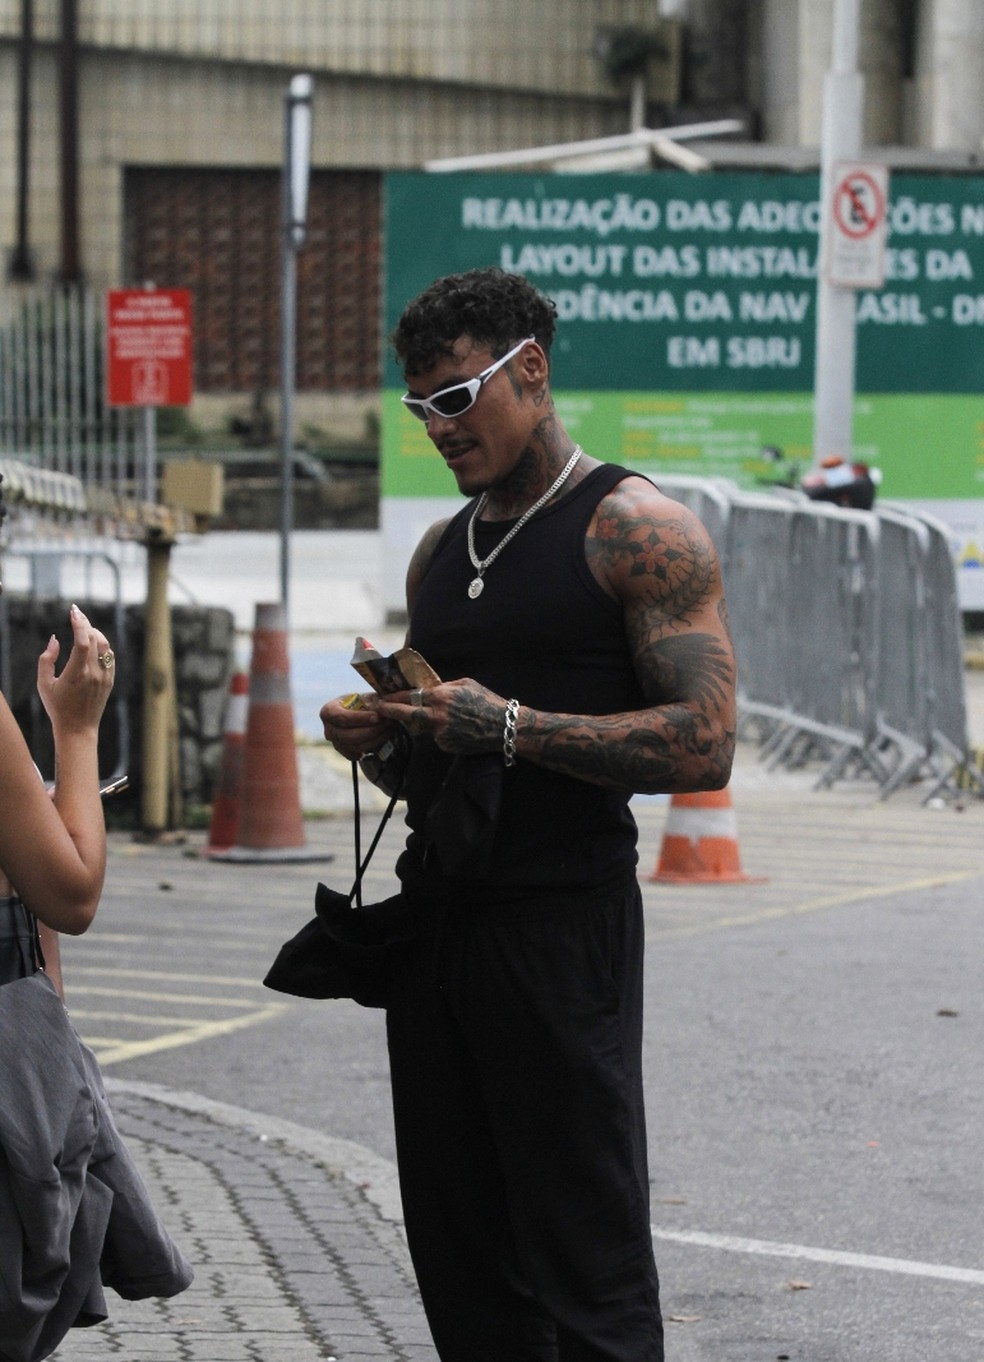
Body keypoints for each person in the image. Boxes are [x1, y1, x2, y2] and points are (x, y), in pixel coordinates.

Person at [320, 266, 737, 1362]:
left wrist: (507, 726)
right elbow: (437, 774)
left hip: (561, 928)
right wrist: (385, 741)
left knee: (583, 1253)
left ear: (531, 371)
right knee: (462, 1258)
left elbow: (707, 741)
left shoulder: (635, 529)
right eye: (421, 410)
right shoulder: (439, 551)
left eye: (456, 399)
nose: (439, 430)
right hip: (441, 922)